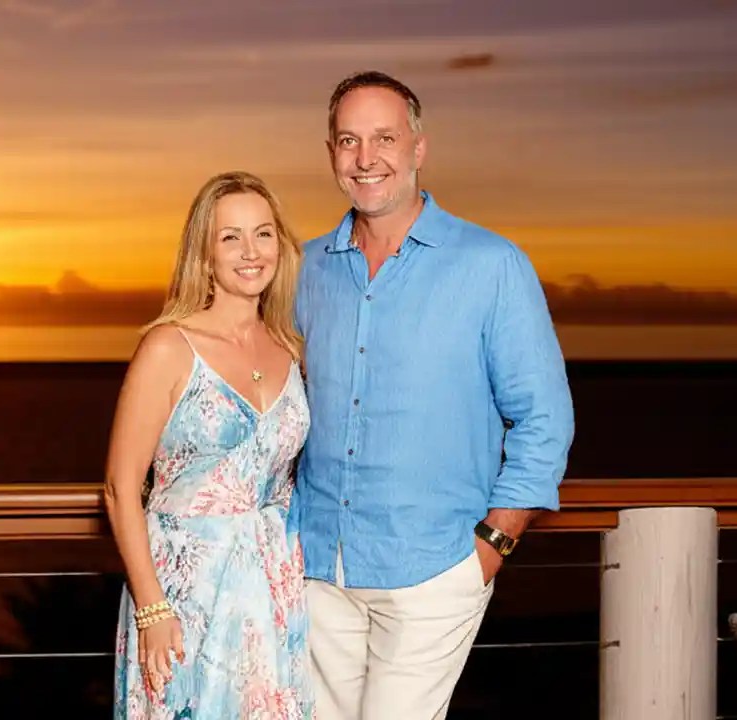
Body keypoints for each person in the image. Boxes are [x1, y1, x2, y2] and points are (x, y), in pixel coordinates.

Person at [292, 70, 575, 719]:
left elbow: (544, 419)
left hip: (434, 569)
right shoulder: (304, 269)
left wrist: (491, 548)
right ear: (331, 153)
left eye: (384, 138)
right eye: (348, 140)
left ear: (418, 148)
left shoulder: (490, 263)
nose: (366, 159)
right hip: (317, 570)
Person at [105, 171, 315, 719]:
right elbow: (119, 489)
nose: (251, 252)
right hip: (183, 595)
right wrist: (152, 609)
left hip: (274, 592)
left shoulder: (291, 349)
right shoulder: (169, 347)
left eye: (263, 234)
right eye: (231, 237)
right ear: (205, 252)